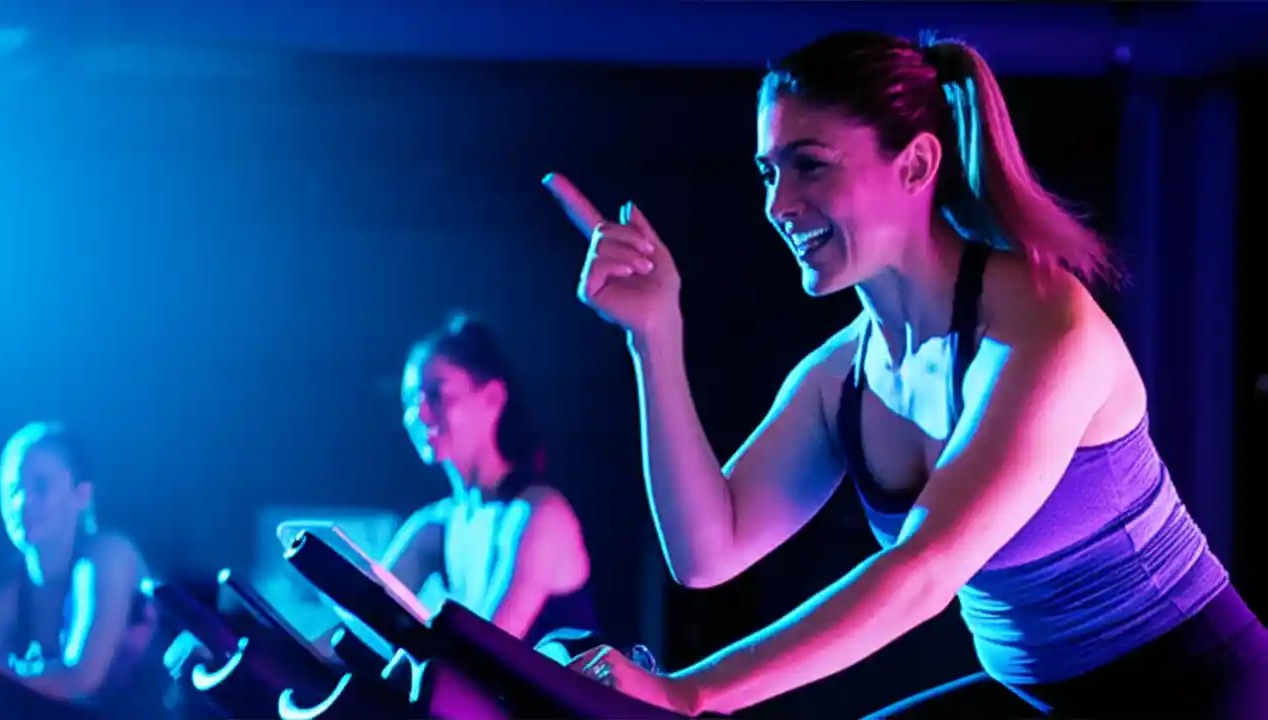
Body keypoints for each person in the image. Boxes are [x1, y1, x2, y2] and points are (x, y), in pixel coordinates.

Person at [543, 30, 1268, 719]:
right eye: (770, 171)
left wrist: (690, 693)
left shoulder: (1044, 325)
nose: (777, 204)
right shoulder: (841, 378)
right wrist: (655, 339)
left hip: (1194, 689)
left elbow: (925, 572)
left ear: (917, 165)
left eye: (811, 165)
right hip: (1037, 693)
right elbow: (708, 553)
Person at [331, 312, 601, 657]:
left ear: (492, 397)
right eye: (410, 401)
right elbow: (359, 623)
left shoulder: (538, 515)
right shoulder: (436, 524)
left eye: (435, 395)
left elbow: (485, 656)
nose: (419, 414)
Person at [0, 421, 164, 718]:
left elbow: (82, 680)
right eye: (13, 489)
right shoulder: (14, 587)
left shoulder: (109, 555)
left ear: (81, 495)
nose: (22, 502)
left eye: (40, 486)